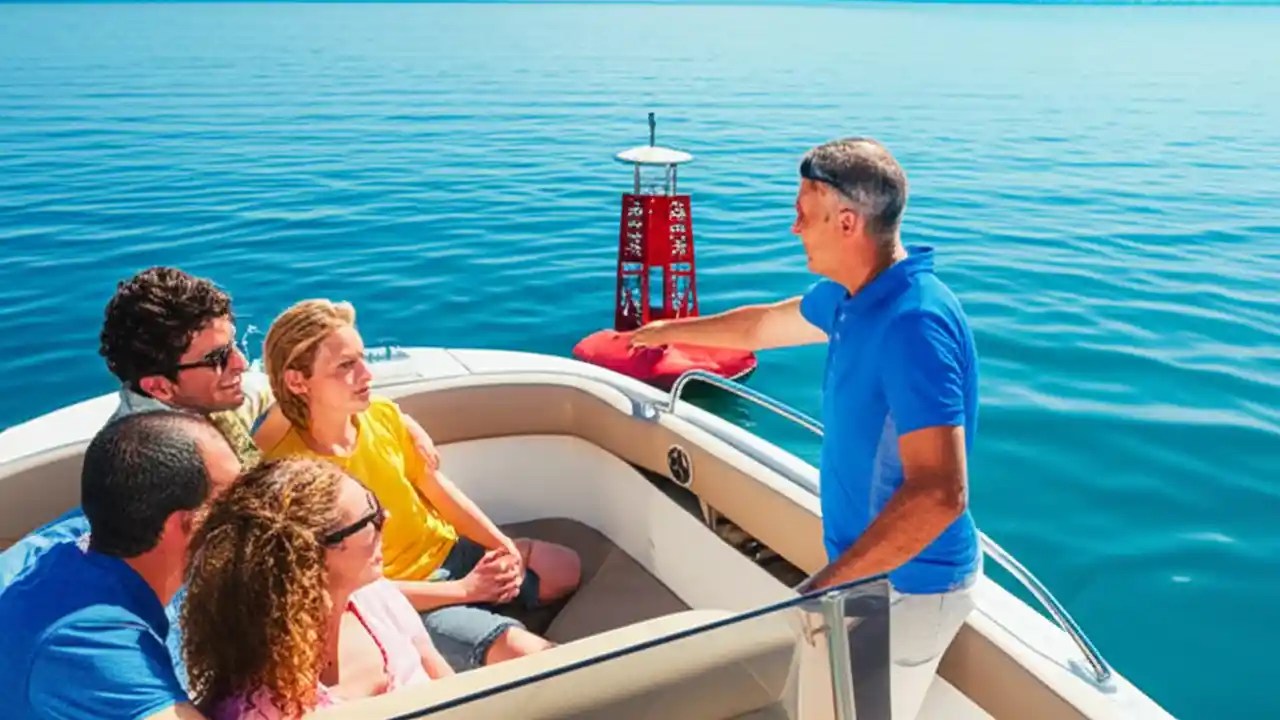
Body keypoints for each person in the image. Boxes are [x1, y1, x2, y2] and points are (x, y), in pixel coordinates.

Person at [629, 137, 980, 720]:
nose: (794, 228)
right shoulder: (853, 297)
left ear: (847, 221)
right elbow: (761, 326)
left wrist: (821, 586)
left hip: (912, 588)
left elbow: (941, 493)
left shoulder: (913, 324)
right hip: (870, 577)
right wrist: (670, 330)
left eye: (804, 213)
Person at [256, 299, 581, 672]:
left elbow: (437, 489)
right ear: (297, 381)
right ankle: (484, 634)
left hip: (448, 553)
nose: (367, 375)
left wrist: (501, 546)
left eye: (362, 359)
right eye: (346, 366)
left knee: (564, 568)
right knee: (536, 657)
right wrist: (463, 591)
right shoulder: (293, 474)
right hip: (398, 596)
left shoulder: (382, 416)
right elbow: (344, 591)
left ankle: (481, 624)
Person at [0, 411, 240, 720]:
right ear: (189, 524)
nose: (250, 512)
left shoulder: (109, 530)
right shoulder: (85, 638)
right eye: (237, 500)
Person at [183, 457, 453, 720]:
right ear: (315, 553)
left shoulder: (378, 598)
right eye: (371, 516)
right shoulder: (261, 707)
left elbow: (454, 691)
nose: (386, 517)